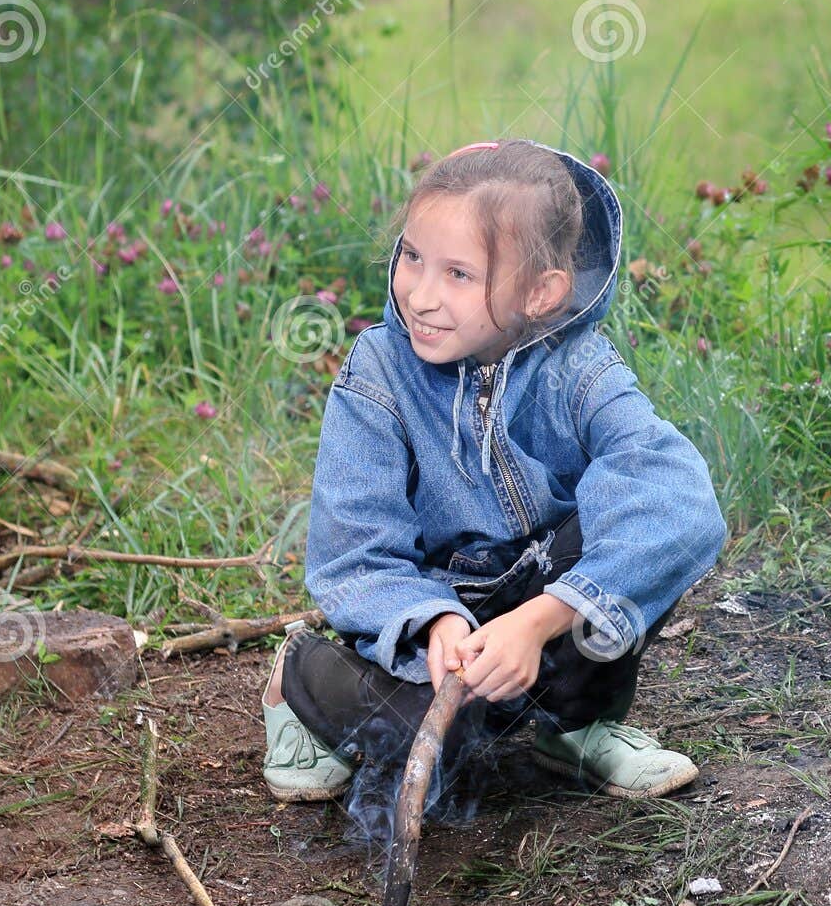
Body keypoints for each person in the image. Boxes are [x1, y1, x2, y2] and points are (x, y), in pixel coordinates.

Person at [258, 138, 727, 806]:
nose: (419, 295)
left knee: (628, 518)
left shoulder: (579, 370)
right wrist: (435, 622)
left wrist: (541, 619)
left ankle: (577, 721)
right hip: (429, 618)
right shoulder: (378, 376)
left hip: (539, 599)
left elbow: (677, 500)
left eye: (458, 274)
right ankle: (302, 680)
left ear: (542, 292)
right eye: (412, 257)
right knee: (440, 739)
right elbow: (355, 552)